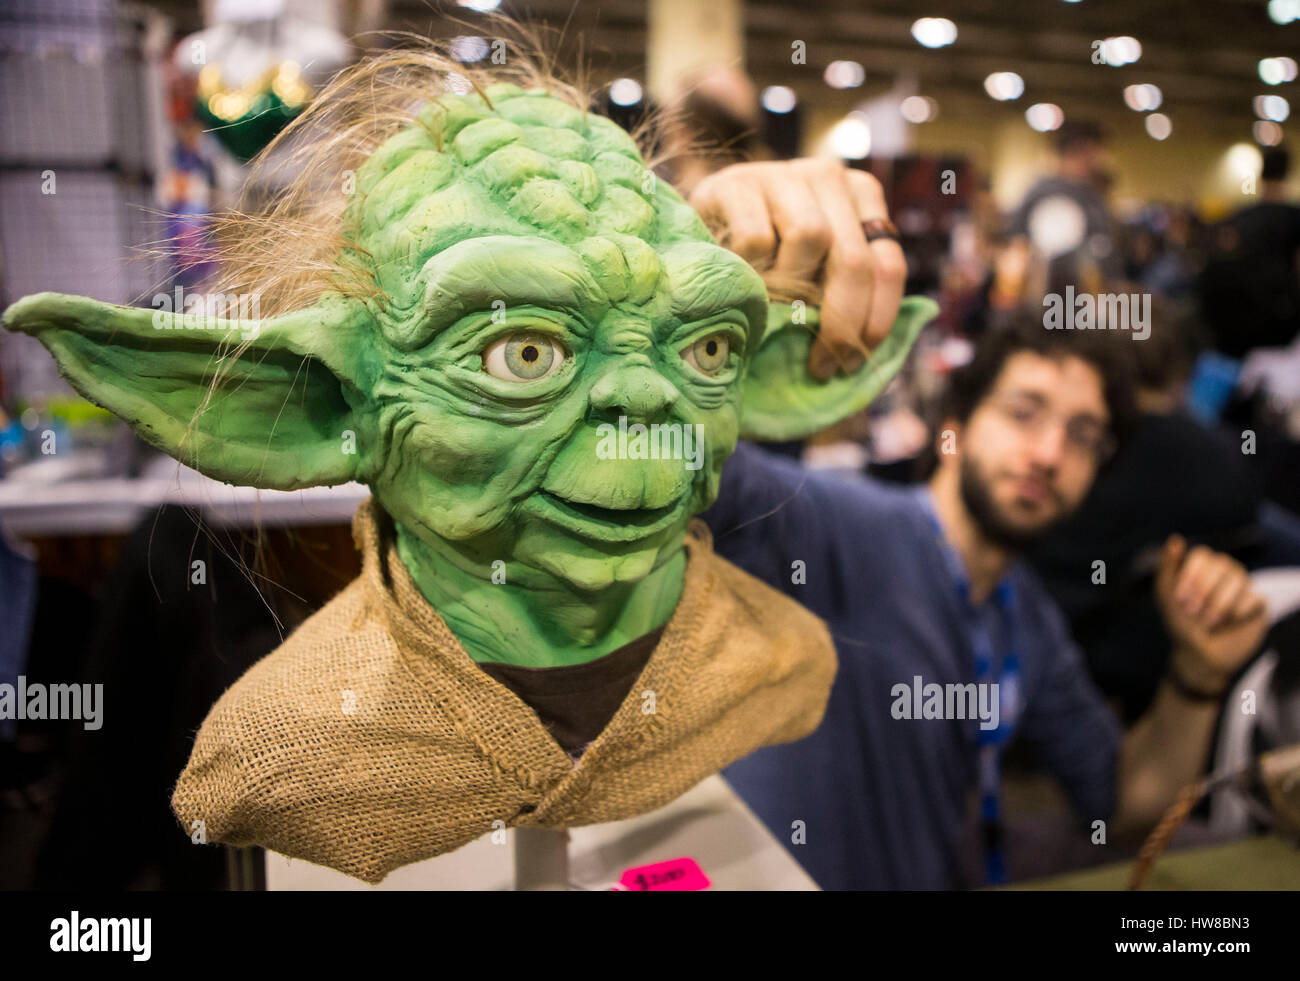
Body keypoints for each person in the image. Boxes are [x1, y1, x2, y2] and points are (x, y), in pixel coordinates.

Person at [700, 317, 1268, 889]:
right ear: (956, 428)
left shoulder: (1027, 615)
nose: (1049, 453)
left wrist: (1198, 676)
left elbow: (1120, 805)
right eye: (1024, 413)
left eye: (1083, 435)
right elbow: (684, 458)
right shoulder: (829, 523)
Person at [1200, 146, 1300, 359]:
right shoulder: (1293, 218)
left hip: (1237, 325)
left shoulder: (1239, 218)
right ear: (1286, 174)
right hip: (1281, 325)